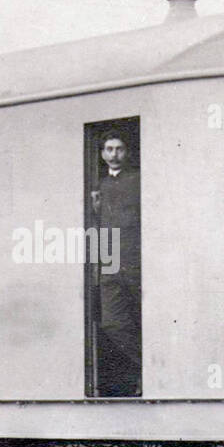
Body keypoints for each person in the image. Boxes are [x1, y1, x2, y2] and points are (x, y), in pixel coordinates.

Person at [91, 130, 142, 395]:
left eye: (119, 149)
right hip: (109, 262)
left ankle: (148, 376)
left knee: (140, 319)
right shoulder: (97, 185)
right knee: (113, 323)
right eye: (109, 149)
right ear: (102, 154)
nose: (114, 154)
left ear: (127, 152)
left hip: (135, 259)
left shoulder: (139, 180)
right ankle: (146, 366)